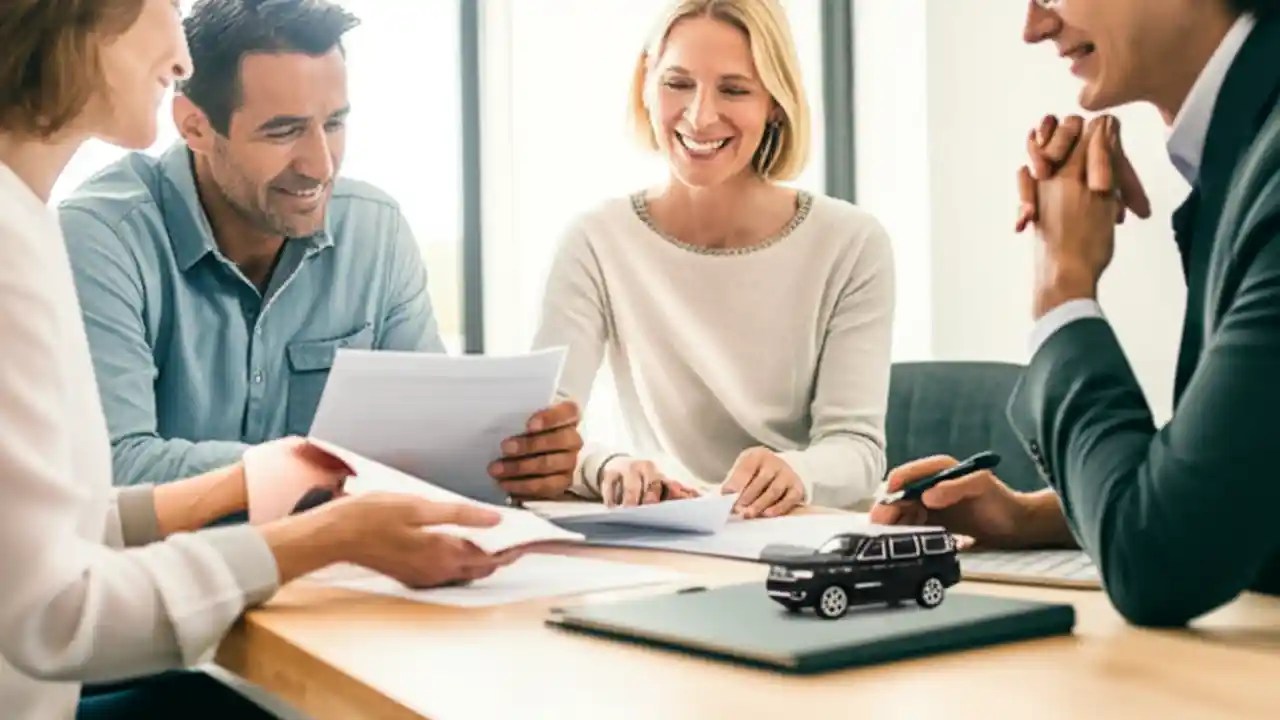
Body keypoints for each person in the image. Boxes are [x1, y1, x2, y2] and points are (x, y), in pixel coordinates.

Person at [0, 2, 518, 717]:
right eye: (161, 6)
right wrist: (318, 533)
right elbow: (56, 614)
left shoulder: (19, 219)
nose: (179, 52)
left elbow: (59, 525)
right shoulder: (33, 242)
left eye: (334, 123)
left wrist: (257, 478)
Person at [59, 0, 583, 500]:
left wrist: (518, 462)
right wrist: (329, 470)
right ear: (195, 125)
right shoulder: (102, 239)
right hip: (175, 580)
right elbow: (114, 469)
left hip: (346, 572)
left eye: (333, 124)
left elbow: (432, 449)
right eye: (283, 131)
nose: (319, 165)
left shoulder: (375, 232)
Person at [873, 0, 1280, 626]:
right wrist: (1037, 516)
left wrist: (1061, 283)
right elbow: (1243, 488)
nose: (1034, 25)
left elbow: (1164, 561)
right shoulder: (1250, 149)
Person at [533, 0, 895, 517]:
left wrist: (797, 471)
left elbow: (857, 450)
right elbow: (542, 437)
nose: (700, 116)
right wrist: (608, 465)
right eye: (677, 83)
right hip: (663, 539)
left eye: (734, 89)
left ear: (775, 101)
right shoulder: (596, 239)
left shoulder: (852, 242)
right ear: (646, 82)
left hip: (807, 539)